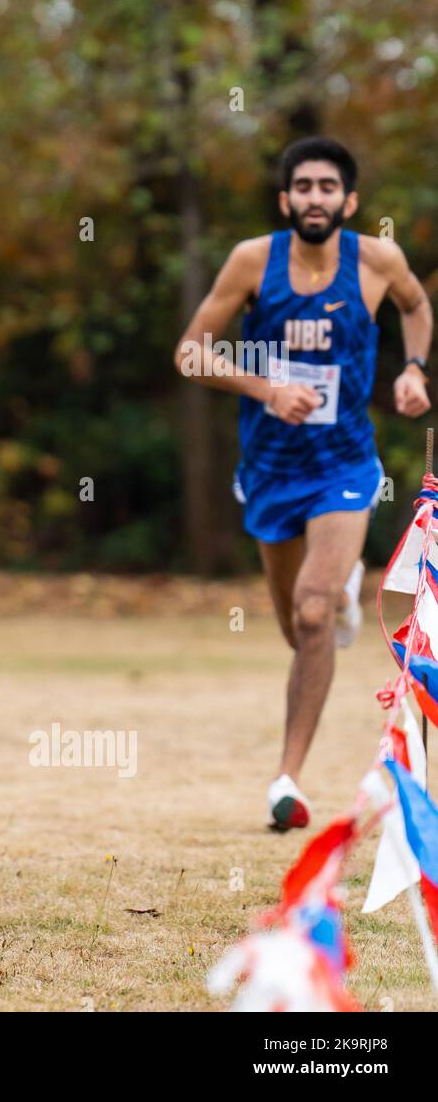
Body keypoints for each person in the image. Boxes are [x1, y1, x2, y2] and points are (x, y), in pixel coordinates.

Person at [174, 137, 432, 831]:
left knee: (316, 612)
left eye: (329, 188)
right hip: (269, 471)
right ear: (285, 200)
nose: (315, 198)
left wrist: (414, 370)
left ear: (349, 202)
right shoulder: (253, 262)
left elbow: (416, 305)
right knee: (297, 624)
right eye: (303, 187)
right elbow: (190, 352)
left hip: (345, 466)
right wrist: (266, 388)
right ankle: (334, 593)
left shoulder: (377, 261)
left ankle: (286, 781)